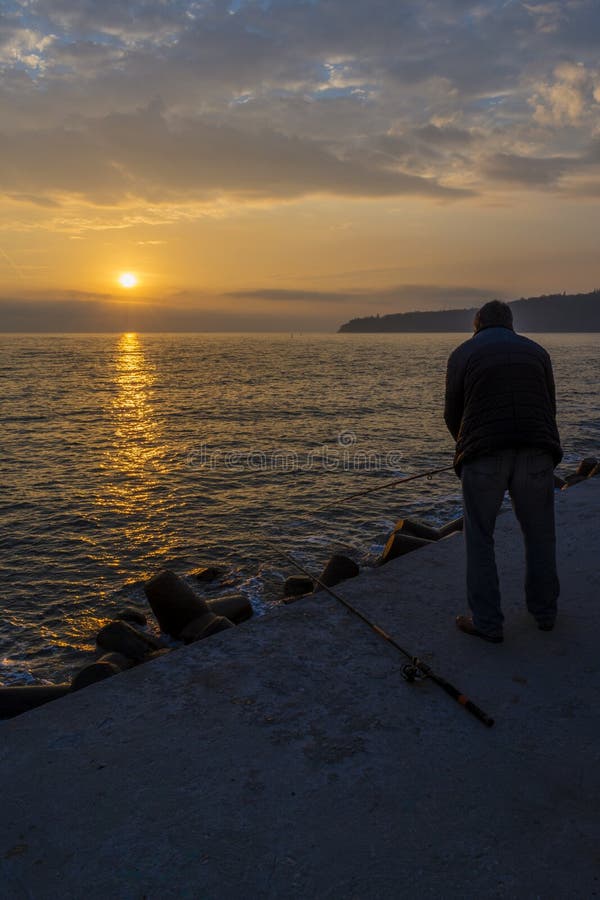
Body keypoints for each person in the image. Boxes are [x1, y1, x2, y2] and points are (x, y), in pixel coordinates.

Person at [444, 300, 562, 643]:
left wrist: (466, 448)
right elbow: (549, 407)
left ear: (476, 325)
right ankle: (545, 613)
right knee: (541, 535)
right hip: (536, 454)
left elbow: (453, 413)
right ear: (510, 324)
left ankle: (487, 622)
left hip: (484, 455)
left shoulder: (463, 353)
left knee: (480, 537)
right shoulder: (537, 352)